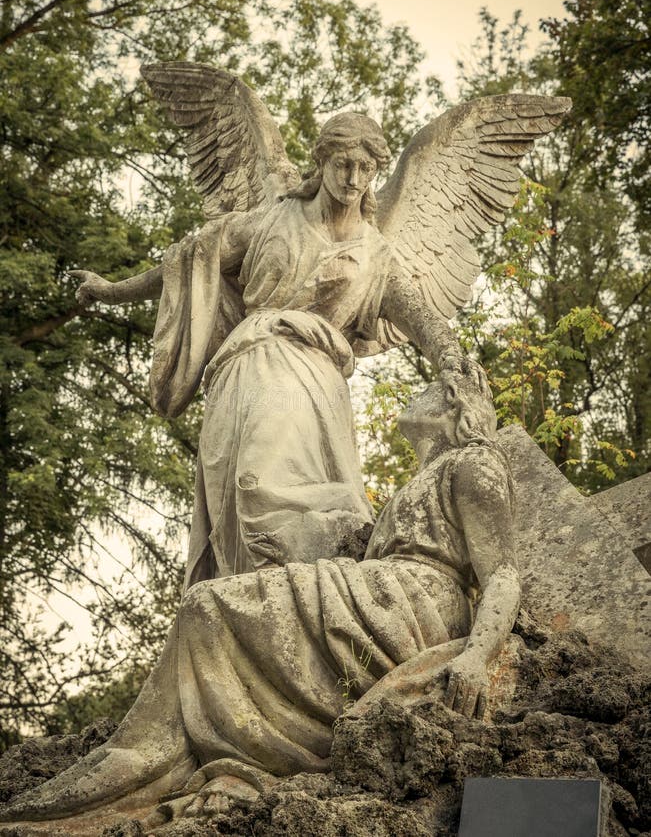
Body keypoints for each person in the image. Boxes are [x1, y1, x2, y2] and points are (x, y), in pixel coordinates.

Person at [0, 364, 520, 828]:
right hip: (372, 594)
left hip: (410, 605)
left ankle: (158, 761)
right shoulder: (420, 479)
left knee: (206, 606)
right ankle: (164, 759)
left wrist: (478, 656)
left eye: (430, 386)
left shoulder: (475, 464)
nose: (418, 393)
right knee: (205, 608)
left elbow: (501, 575)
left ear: (452, 401)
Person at [69, 112, 465, 588]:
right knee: (240, 483)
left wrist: (452, 360)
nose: (352, 179)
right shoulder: (274, 219)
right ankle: (253, 593)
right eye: (342, 165)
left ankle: (300, 587)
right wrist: (110, 291)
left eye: (364, 169)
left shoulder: (376, 255)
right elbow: (190, 261)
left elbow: (422, 319)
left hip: (314, 379)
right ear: (321, 161)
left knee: (281, 482)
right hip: (248, 362)